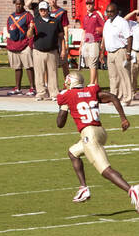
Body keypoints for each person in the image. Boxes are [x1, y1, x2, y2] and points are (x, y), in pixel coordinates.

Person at [55, 72, 139, 210]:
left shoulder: (67, 95)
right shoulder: (91, 90)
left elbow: (60, 124)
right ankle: (83, 188)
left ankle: (133, 191)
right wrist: (123, 118)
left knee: (105, 170)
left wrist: (64, 106)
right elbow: (112, 97)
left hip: (89, 134)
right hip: (100, 132)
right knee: (73, 152)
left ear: (71, 82)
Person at [102, 2, 135, 106]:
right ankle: (114, 97)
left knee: (124, 75)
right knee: (113, 77)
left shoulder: (122, 22)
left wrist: (128, 53)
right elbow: (104, 38)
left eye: (111, 11)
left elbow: (129, 37)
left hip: (120, 51)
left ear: (116, 12)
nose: (109, 13)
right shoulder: (107, 23)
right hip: (110, 52)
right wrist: (102, 52)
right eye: (107, 12)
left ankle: (127, 98)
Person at [31, 0, 64, 101]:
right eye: (41, 10)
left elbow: (61, 37)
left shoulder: (55, 21)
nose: (43, 12)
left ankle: (54, 93)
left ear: (48, 10)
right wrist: (30, 28)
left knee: (52, 73)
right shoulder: (35, 21)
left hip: (52, 51)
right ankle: (41, 93)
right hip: (38, 51)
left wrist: (63, 49)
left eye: (44, 10)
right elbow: (29, 35)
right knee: (39, 73)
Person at [5, 0, 34, 96]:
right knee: (17, 67)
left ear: (23, 4)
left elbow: (31, 30)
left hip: (25, 45)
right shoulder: (11, 17)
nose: (18, 6)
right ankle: (17, 87)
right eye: (17, 4)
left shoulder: (28, 15)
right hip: (14, 46)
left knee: (29, 67)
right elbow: (9, 31)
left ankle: (32, 87)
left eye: (20, 4)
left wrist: (30, 45)